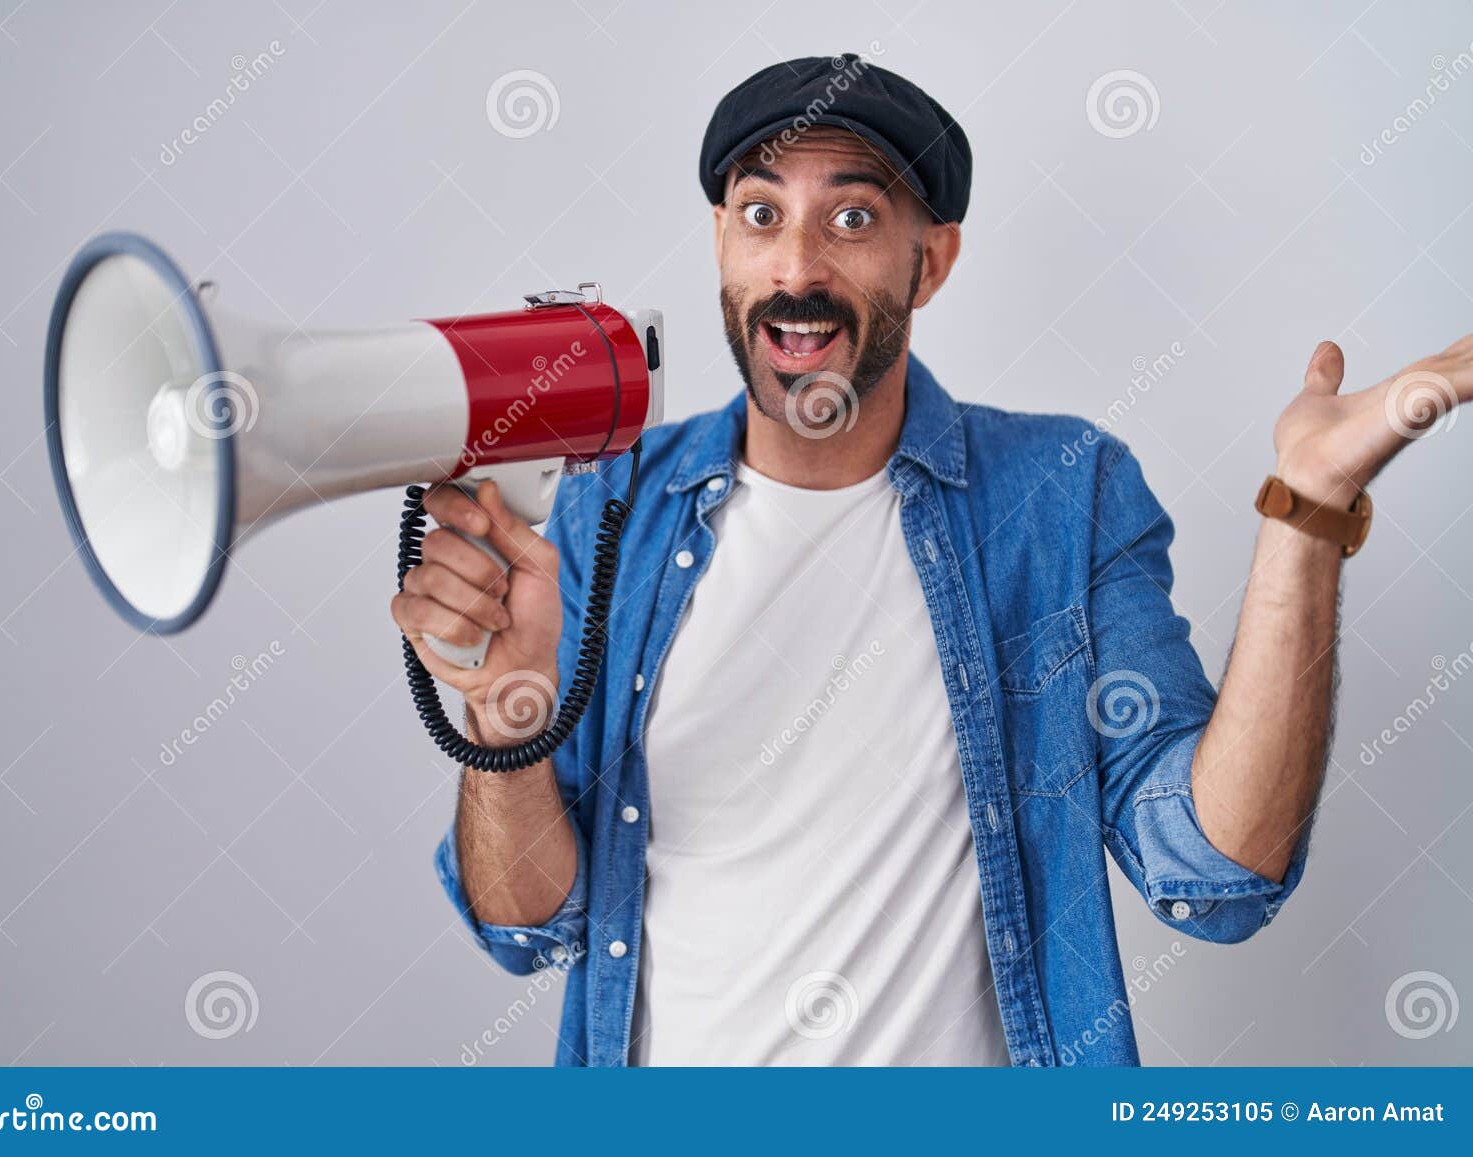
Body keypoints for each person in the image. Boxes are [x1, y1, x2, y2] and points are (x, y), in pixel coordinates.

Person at [392, 54, 1471, 1066]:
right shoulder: (605, 506)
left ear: (932, 258)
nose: (796, 267)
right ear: (721, 239)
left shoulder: (1063, 494)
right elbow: (525, 925)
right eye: (762, 215)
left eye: (851, 218)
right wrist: (502, 721)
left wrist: (1307, 515)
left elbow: (1217, 871)